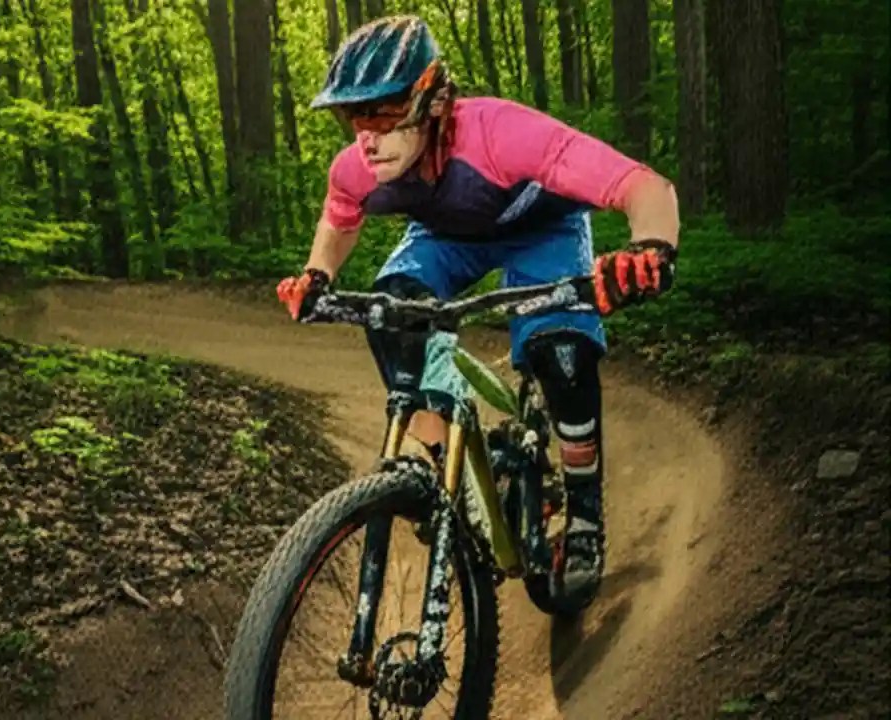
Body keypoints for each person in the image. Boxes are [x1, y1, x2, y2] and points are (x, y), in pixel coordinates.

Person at [275, 15, 679, 604]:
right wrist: (317, 275)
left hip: (544, 230)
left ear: (434, 99)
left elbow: (646, 188)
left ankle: (585, 513)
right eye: (353, 117)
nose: (367, 136)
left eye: (385, 113)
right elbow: (340, 213)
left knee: (561, 353)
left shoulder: (501, 133)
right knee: (394, 315)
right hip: (447, 238)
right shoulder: (359, 165)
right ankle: (450, 478)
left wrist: (648, 248)